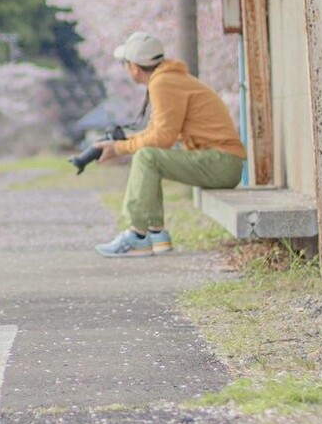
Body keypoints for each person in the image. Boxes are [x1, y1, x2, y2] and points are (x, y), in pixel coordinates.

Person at [94, 30, 246, 257]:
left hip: (221, 162)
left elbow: (162, 139)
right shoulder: (168, 79)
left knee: (148, 156)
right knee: (148, 155)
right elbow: (158, 133)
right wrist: (124, 141)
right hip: (220, 161)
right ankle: (156, 234)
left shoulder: (163, 83)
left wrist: (118, 149)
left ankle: (137, 235)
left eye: (125, 64)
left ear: (134, 67)